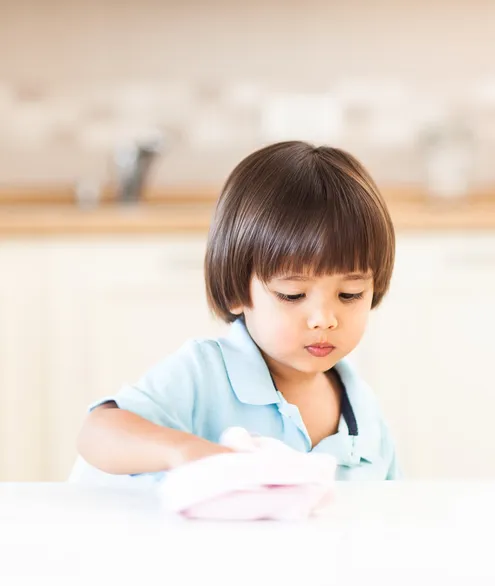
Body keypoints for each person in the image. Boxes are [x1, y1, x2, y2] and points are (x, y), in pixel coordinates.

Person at [72, 140, 399, 485]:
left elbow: (395, 510)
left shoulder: (363, 410)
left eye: (350, 294)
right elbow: (97, 432)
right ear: (237, 292)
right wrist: (185, 452)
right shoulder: (204, 373)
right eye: (293, 294)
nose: (324, 318)